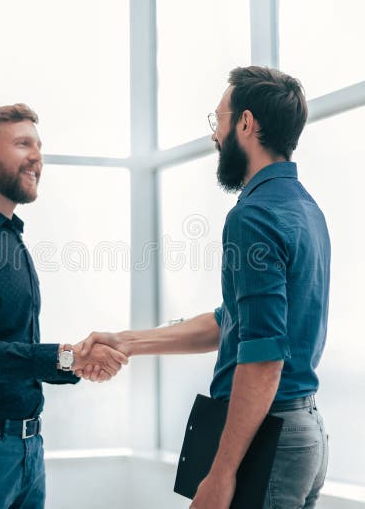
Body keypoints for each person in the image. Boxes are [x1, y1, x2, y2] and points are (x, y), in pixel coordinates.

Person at [78, 66, 331, 509]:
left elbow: (264, 359)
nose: (215, 135)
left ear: (246, 123)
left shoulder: (252, 218)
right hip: (302, 432)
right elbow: (230, 322)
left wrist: (221, 473)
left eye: (219, 120)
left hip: (268, 439)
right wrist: (129, 341)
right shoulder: (306, 210)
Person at [0, 104, 127, 509]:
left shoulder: (11, 239)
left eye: (39, 146)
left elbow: (14, 350)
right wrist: (62, 357)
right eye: (22, 144)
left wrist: (73, 364)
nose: (37, 157)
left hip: (28, 446)